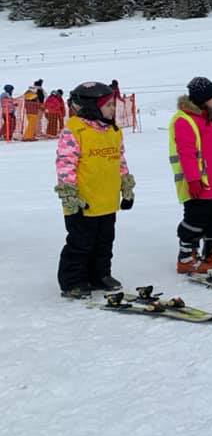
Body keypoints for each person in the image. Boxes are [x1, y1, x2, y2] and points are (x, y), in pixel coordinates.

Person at [55, 82, 135, 298]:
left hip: (107, 200)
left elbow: (120, 160)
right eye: (108, 105)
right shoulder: (75, 130)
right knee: (80, 244)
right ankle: (73, 281)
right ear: (91, 106)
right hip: (83, 202)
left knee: (104, 242)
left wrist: (126, 186)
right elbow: (65, 164)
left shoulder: (113, 131)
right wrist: (69, 194)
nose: (113, 109)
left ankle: (100, 275)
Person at [169, 77, 212, 273]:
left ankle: (211, 252)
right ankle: (186, 257)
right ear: (203, 99)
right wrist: (193, 179)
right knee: (196, 220)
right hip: (200, 185)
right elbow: (187, 153)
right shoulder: (186, 120)